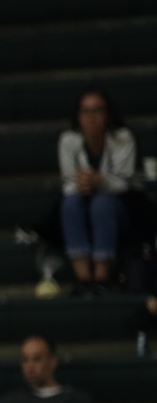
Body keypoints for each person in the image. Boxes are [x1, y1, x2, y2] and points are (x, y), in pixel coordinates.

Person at [59, 87, 138, 292]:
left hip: (119, 205)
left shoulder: (123, 138)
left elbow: (124, 183)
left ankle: (101, 277)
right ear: (78, 116)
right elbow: (67, 183)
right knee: (70, 203)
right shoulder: (68, 140)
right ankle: (83, 278)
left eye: (97, 111)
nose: (91, 117)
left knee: (102, 203)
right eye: (86, 111)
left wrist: (99, 181)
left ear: (107, 114)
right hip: (81, 199)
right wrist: (83, 183)